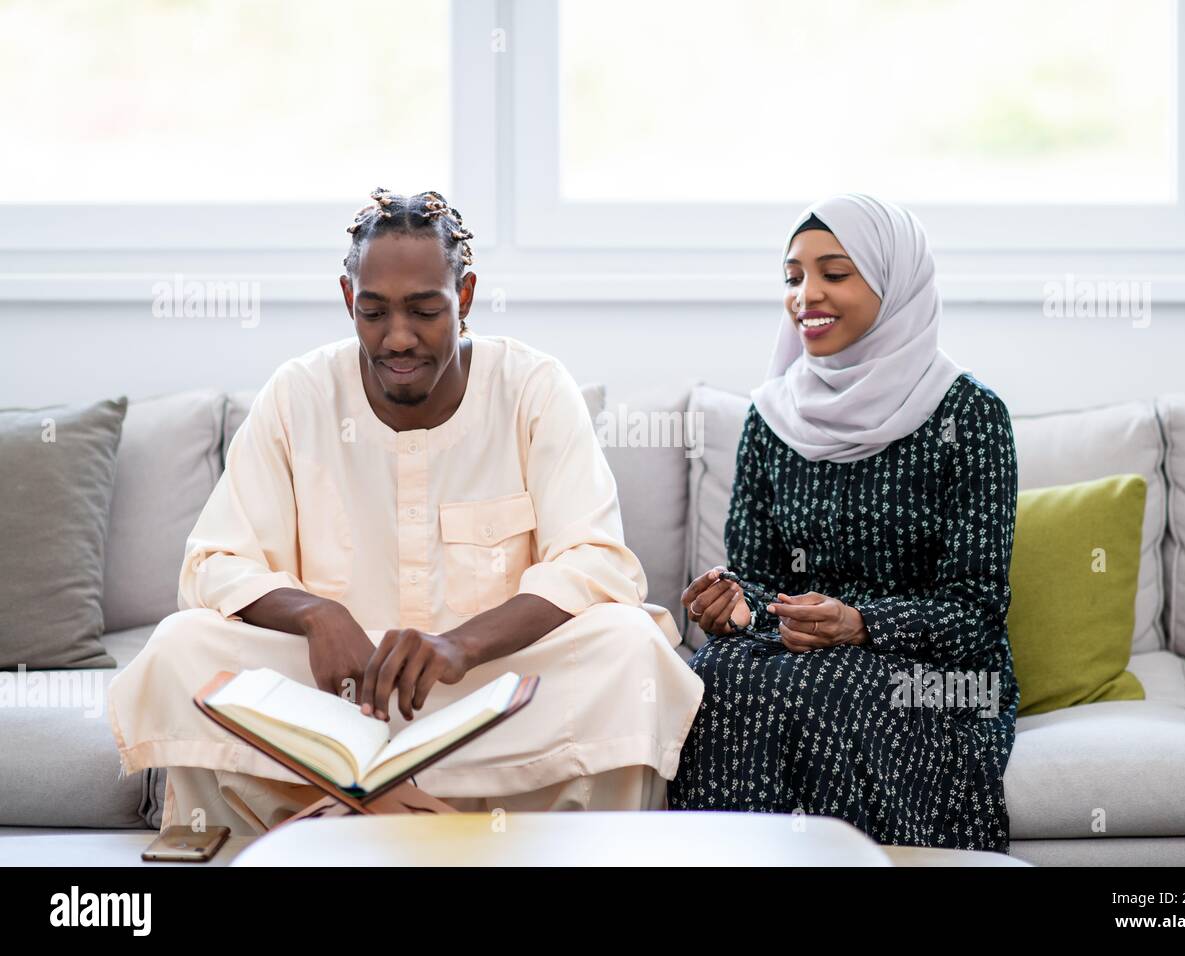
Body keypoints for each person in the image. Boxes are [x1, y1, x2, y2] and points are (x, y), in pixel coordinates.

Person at [108, 187, 704, 835]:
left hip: (487, 689)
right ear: (347, 301)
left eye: (424, 311)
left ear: (465, 297)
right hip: (334, 698)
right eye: (374, 312)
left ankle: (379, 818)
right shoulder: (299, 394)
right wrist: (314, 615)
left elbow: (594, 562)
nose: (398, 338)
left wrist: (461, 644)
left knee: (629, 646)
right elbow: (216, 563)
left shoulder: (532, 387)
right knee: (183, 645)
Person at [667, 194, 1020, 853]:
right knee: (712, 674)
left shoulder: (969, 417)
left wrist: (861, 625)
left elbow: (976, 615)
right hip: (790, 654)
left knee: (827, 690)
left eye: (834, 273)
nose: (807, 295)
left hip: (934, 671)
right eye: (793, 277)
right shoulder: (771, 419)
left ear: (894, 283)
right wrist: (735, 610)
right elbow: (759, 584)